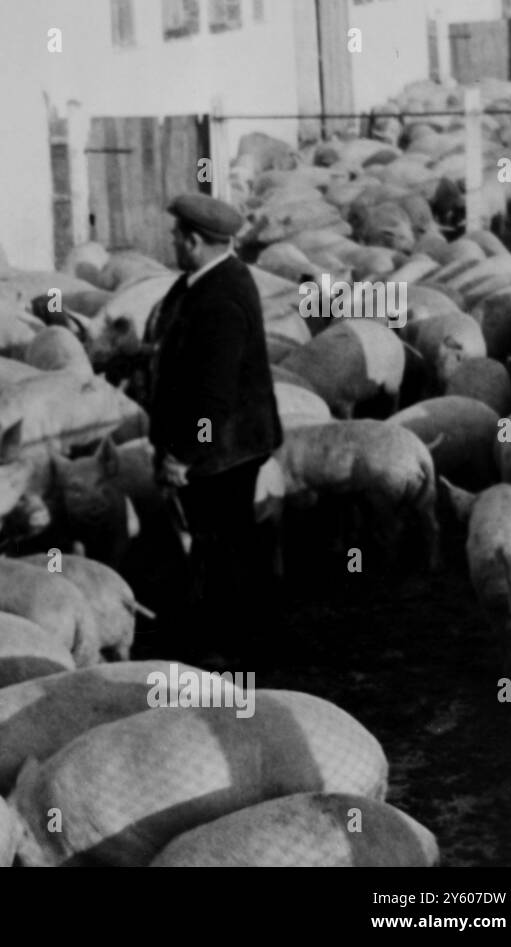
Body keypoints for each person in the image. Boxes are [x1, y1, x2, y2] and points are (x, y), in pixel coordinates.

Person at [143, 193, 283, 666]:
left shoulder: (219, 299)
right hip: (226, 448)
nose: (173, 243)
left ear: (195, 241)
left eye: (178, 237)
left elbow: (213, 396)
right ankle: (234, 643)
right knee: (225, 548)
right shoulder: (205, 282)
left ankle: (232, 656)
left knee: (222, 551)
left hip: (223, 454)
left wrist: (184, 454)